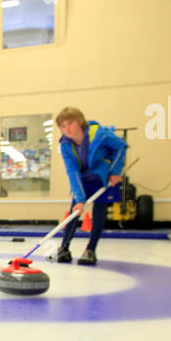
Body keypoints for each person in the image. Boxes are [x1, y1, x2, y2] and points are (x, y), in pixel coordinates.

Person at [54, 107, 125, 265]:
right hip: (83, 179)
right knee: (75, 209)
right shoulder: (65, 145)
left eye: (70, 124)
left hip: (102, 178)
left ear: (79, 122)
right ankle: (64, 248)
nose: (67, 129)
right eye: (63, 126)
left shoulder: (99, 134)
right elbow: (72, 171)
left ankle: (90, 250)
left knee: (99, 211)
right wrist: (79, 199)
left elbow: (120, 146)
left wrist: (115, 171)